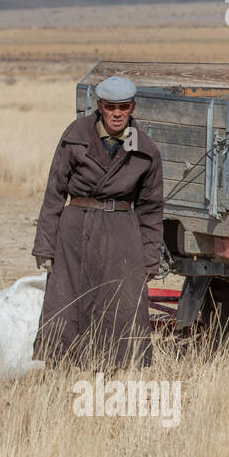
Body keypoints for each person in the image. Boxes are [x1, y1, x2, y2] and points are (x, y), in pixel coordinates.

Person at [32, 76, 164, 368]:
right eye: (110, 106)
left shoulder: (145, 149)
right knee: (66, 298)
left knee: (123, 303)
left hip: (121, 233)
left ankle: (117, 368)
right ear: (99, 106)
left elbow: (151, 209)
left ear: (133, 107)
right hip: (76, 229)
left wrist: (150, 259)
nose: (117, 113)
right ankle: (62, 365)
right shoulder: (76, 136)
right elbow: (55, 192)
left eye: (124, 106)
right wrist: (45, 246)